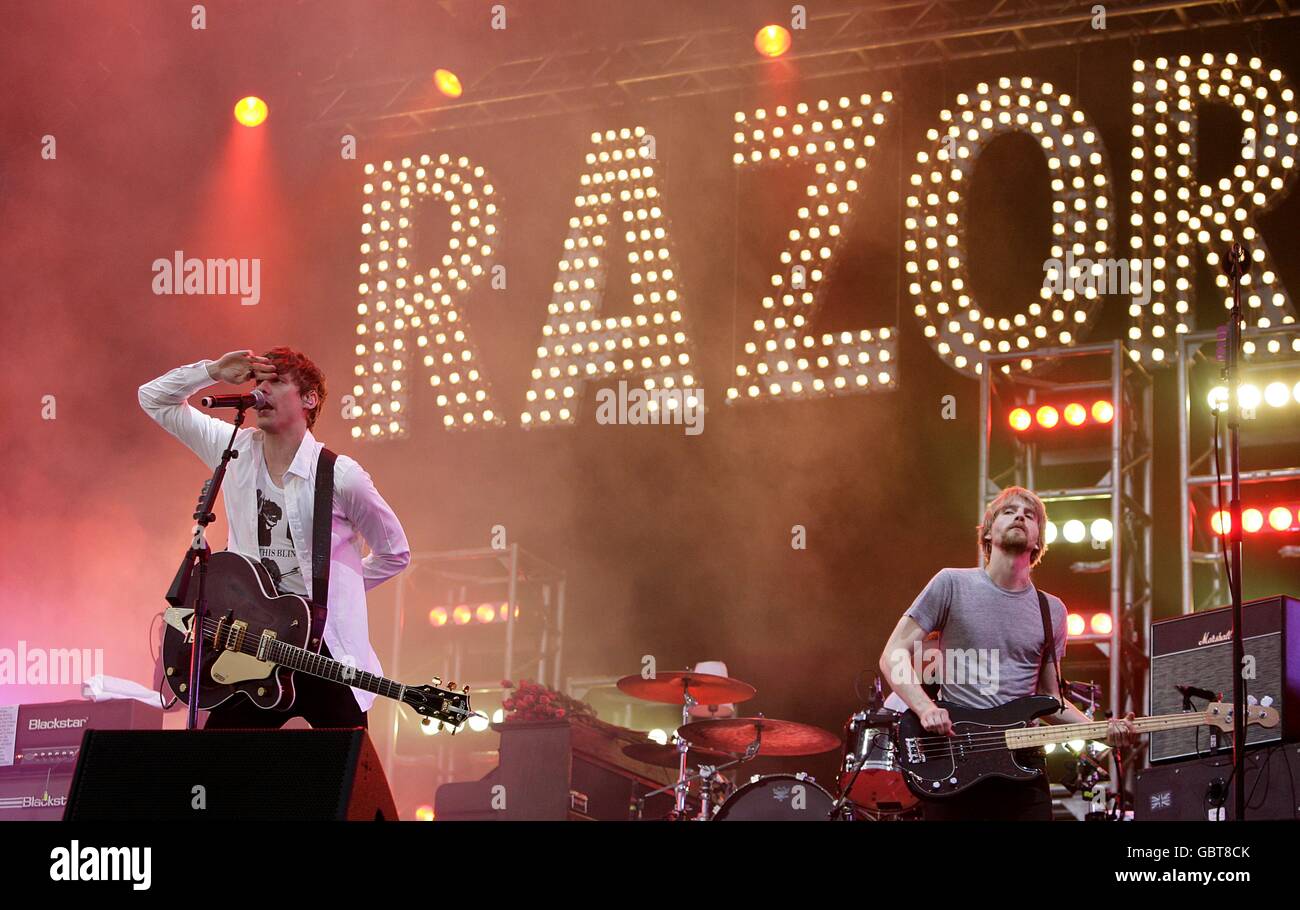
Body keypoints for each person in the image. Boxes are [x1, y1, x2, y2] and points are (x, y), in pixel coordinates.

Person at [139, 348, 410, 729]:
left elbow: (394, 553)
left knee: (345, 774)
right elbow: (154, 399)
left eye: (276, 382)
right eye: (257, 382)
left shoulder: (341, 476)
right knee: (219, 773)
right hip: (252, 643)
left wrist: (335, 595)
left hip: (323, 649)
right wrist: (213, 370)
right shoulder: (232, 450)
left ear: (309, 399)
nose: (261, 391)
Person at [878, 486, 1136, 820]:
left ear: (1038, 540)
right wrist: (925, 707)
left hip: (1022, 768)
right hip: (957, 760)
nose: (1020, 516)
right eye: (1008, 511)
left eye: (1030, 515)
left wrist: (1100, 731)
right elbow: (892, 653)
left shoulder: (1052, 611)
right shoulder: (951, 584)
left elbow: (1050, 699)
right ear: (987, 532)